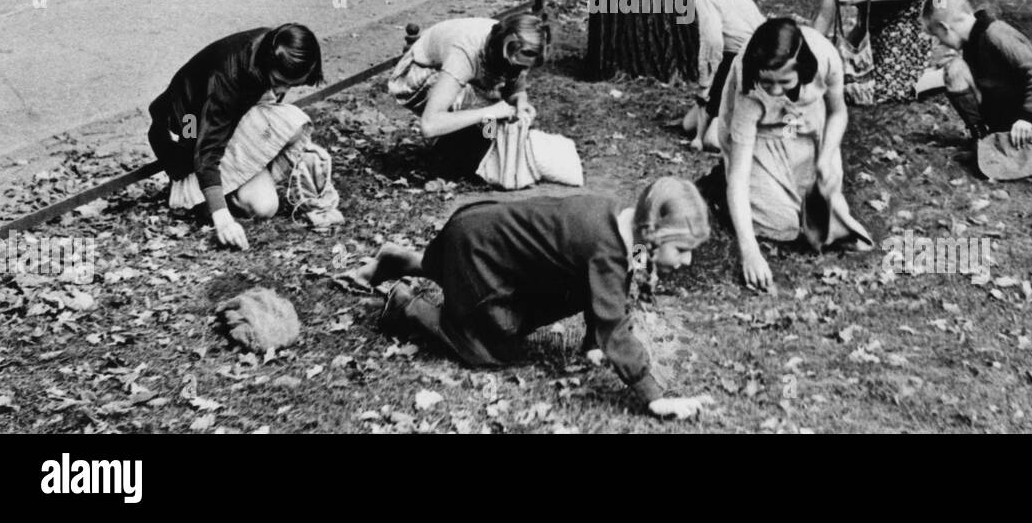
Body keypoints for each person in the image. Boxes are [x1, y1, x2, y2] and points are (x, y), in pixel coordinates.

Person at [343, 177, 714, 420]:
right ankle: (404, 304)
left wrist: (591, 344)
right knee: (488, 348)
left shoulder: (625, 222)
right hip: (477, 247)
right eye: (682, 249)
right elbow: (612, 322)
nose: (687, 260)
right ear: (653, 233)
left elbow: (614, 290)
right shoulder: (608, 252)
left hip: (485, 234)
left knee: (509, 303)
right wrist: (653, 395)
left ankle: (399, 260)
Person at [715, 18, 873, 291]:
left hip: (803, 123)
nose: (775, 90)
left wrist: (827, 156)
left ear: (803, 68)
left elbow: (837, 112)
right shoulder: (748, 88)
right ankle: (718, 187)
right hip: (759, 135)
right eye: (768, 82)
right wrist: (750, 251)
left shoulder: (826, 58)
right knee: (783, 226)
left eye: (784, 81)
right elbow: (739, 176)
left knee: (820, 216)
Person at [147, 23, 324, 250]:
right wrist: (222, 218)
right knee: (263, 206)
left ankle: (233, 178)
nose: (280, 92)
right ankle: (195, 194)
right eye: (279, 83)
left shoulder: (274, 50)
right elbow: (207, 150)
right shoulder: (227, 77)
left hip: (228, 121)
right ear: (267, 65)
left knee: (293, 129)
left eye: (291, 85)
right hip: (185, 130)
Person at [388, 13, 545, 178]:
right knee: (484, 108)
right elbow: (429, 125)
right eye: (517, 67)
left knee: (491, 114)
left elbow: (515, 91)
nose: (521, 73)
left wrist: (521, 102)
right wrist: (491, 112)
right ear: (504, 51)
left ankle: (484, 150)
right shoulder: (464, 53)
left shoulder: (512, 51)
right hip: (417, 76)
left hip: (465, 77)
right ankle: (446, 155)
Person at [920, 0, 1032, 147]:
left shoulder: (996, 34)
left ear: (945, 27)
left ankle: (1005, 144)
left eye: (938, 36)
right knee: (954, 70)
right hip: (1000, 112)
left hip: (1026, 119)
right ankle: (981, 138)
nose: (940, 42)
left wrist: (1027, 118)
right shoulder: (970, 41)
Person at [681, 0, 766, 152]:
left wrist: (705, 78)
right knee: (688, 124)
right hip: (749, 60)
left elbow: (712, 41)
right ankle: (717, 114)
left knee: (713, 140)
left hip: (741, 65)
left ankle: (745, 124)